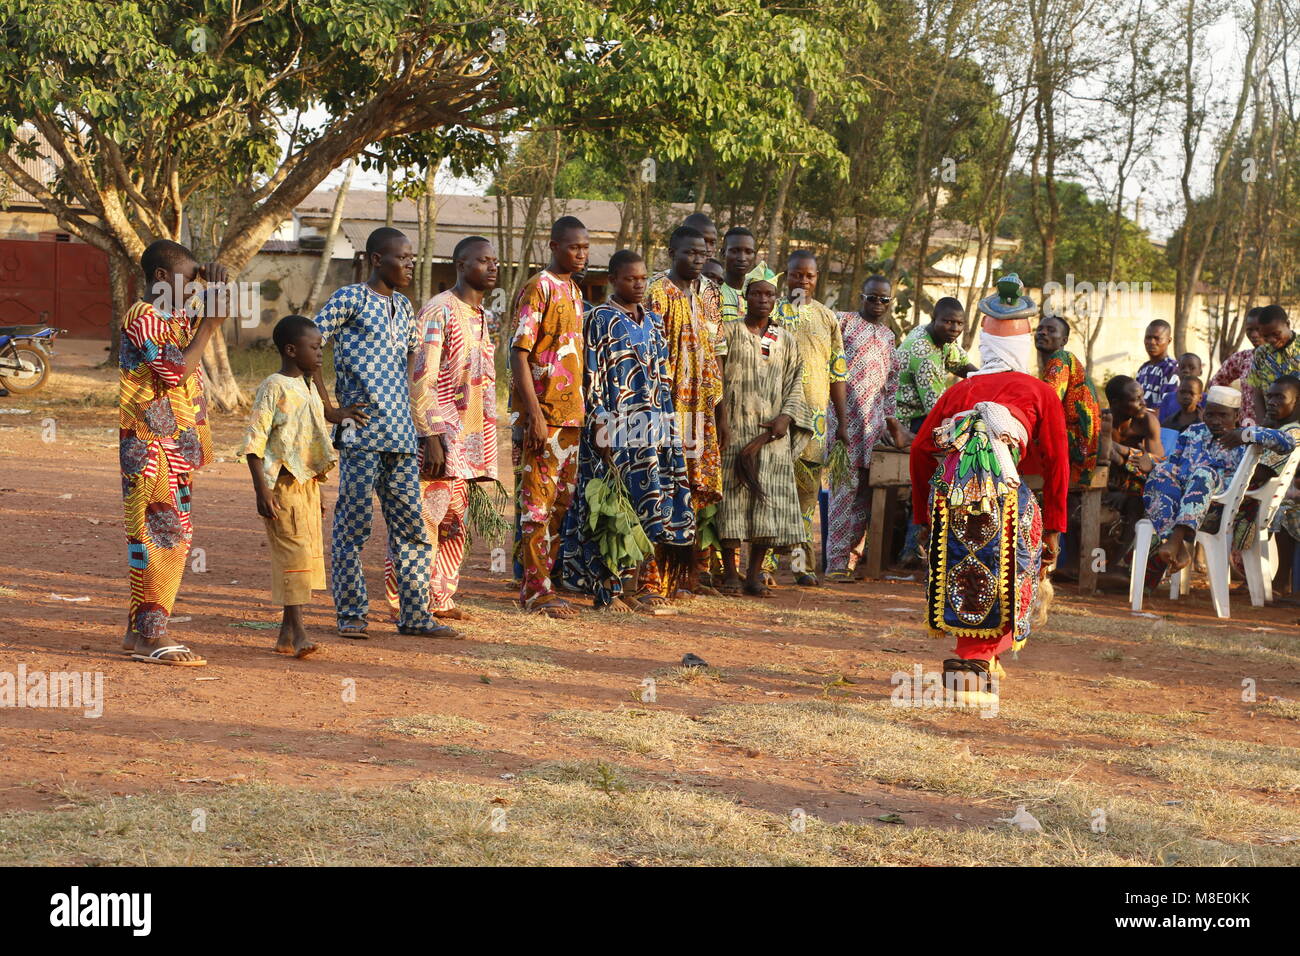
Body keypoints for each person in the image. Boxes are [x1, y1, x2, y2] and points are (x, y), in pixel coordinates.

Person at [910, 275, 1067, 706]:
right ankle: (978, 661)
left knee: (960, 568)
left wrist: (924, 517)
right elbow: (1057, 464)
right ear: (1026, 344)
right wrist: (1053, 526)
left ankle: (973, 658)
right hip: (1002, 496)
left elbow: (921, 451)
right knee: (1019, 560)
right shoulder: (1040, 392)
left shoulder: (960, 390)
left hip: (951, 497)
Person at [312, 227, 456, 639]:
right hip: (361, 437)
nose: (410, 264)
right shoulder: (350, 299)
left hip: (402, 439)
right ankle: (352, 616)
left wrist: (426, 431)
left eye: (412, 258)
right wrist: (329, 408)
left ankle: (415, 616)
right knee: (353, 529)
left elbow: (414, 374)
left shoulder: (405, 308)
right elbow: (309, 340)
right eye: (402, 257)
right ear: (377, 259)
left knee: (412, 528)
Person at [559, 250, 694, 611]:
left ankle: (639, 585)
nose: (639, 284)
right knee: (610, 506)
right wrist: (601, 422)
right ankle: (608, 590)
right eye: (631, 278)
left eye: (643, 278)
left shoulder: (652, 321)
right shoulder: (599, 319)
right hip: (615, 426)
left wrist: (668, 424)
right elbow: (592, 375)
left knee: (648, 502)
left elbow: (662, 376)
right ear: (613, 280)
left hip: (652, 427)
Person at [118, 240, 227, 666]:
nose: (192, 288)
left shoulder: (173, 314)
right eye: (187, 278)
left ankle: (138, 628)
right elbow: (174, 370)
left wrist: (213, 287)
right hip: (149, 442)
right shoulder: (143, 317)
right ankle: (152, 635)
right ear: (161, 279)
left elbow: (211, 313)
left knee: (159, 534)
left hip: (173, 441)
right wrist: (208, 327)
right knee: (162, 536)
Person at [383, 236, 500, 623]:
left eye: (494, 261)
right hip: (438, 437)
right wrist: (429, 437)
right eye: (483, 261)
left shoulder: (482, 315)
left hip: (468, 442)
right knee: (423, 520)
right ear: (461, 265)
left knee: (453, 523)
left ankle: (441, 598)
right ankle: (408, 600)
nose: (492, 267)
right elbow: (421, 379)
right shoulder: (438, 310)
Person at [239, 315, 335, 660]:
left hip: (305, 487)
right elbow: (254, 443)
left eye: (322, 348)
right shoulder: (274, 386)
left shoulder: (307, 386)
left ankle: (284, 634)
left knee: (305, 557)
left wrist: (317, 489)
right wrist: (261, 491)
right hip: (279, 487)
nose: (321, 354)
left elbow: (305, 445)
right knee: (293, 556)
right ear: (291, 350)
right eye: (314, 347)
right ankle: (299, 632)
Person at [510, 216, 588, 618]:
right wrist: (534, 415)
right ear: (554, 245)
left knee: (560, 506)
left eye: (585, 247)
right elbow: (519, 353)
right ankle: (534, 592)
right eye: (574, 247)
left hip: (572, 419)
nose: (582, 253)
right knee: (536, 508)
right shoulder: (539, 287)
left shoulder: (575, 291)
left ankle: (544, 584)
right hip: (545, 419)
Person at [716, 264, 809, 597]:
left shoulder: (786, 339)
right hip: (733, 429)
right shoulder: (727, 331)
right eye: (756, 293)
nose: (763, 299)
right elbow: (717, 378)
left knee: (764, 500)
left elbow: (797, 381)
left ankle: (754, 576)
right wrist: (722, 420)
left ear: (776, 298)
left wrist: (785, 418)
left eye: (769, 294)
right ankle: (729, 573)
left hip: (771, 434)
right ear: (746, 296)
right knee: (731, 498)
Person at [646, 225, 729, 597]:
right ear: (672, 253)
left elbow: (714, 358)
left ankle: (682, 578)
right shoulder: (656, 292)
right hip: (665, 410)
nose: (697, 259)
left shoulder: (708, 295)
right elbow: (648, 354)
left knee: (693, 491)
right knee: (660, 486)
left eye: (702, 254)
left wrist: (719, 413)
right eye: (689, 253)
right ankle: (650, 580)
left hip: (700, 411)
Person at [769, 250, 849, 585]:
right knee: (772, 492)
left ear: (817, 279)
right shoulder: (771, 312)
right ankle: (766, 565)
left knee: (805, 499)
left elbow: (837, 373)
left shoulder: (827, 318)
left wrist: (842, 422)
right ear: (785, 276)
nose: (802, 280)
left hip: (815, 424)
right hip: (775, 417)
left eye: (809, 276)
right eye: (796, 274)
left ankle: (802, 566)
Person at [824, 275, 907, 582]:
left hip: (873, 428)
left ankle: (850, 560)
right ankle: (833, 563)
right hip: (842, 422)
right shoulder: (842, 322)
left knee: (865, 497)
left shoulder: (888, 337)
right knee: (842, 494)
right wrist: (837, 420)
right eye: (872, 298)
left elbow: (891, 384)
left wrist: (890, 421)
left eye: (884, 300)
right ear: (862, 296)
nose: (878, 304)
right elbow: (830, 368)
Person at [1144, 386, 1250, 574]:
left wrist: (1249, 434)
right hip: (1178, 502)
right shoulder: (1193, 432)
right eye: (1210, 415)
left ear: (1236, 415)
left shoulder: (1244, 441)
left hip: (1215, 511)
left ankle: (1175, 540)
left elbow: (1286, 443)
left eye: (1223, 416)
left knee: (1204, 473)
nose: (1215, 421)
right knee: (1161, 471)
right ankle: (1180, 549)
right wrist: (1153, 464)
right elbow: (1173, 464)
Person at [1221, 375, 1300, 554]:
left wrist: (1247, 434)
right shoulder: (1277, 429)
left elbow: (1259, 474)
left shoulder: (1293, 431)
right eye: (1270, 396)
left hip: (1254, 505)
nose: (1271, 402)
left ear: (1297, 401)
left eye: (1280, 397)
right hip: (1252, 502)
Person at [1102, 374, 1165, 556]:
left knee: (1134, 501)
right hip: (1107, 482)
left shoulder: (1147, 421)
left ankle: (1120, 563)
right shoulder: (1102, 421)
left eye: (1142, 396)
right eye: (1136, 399)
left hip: (1136, 481)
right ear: (1115, 402)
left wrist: (1119, 451)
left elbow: (1156, 464)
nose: (1143, 403)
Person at [894, 297, 976, 436]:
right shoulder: (924, 354)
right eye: (948, 322)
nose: (955, 329)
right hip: (906, 421)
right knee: (969, 434)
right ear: (934, 318)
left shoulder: (939, 335)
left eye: (960, 323)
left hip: (922, 412)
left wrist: (988, 380)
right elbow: (937, 411)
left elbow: (962, 365)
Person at [1035, 313, 1100, 485]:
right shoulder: (1065, 362)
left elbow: (1047, 404)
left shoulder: (1060, 359)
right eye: (1040, 329)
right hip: (1082, 449)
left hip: (1074, 451)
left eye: (1050, 330)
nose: (1042, 333)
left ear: (1063, 340)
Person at [1246, 305, 1300, 425]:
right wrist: (1262, 426)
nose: (1272, 340)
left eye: (1276, 334)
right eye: (1266, 336)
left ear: (1287, 324)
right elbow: (1257, 393)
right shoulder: (1261, 354)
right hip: (1272, 424)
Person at [1210, 307, 1265, 425]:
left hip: (1273, 428)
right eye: (1249, 330)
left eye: (1258, 329)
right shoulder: (1242, 358)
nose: (1254, 334)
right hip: (1245, 427)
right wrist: (1228, 410)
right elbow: (1218, 381)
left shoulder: (1282, 360)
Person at [717, 226, 758, 323]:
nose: (742, 258)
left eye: (748, 252)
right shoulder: (713, 292)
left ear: (754, 256)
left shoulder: (760, 294)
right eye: (735, 251)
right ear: (723, 254)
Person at [1136, 320, 1178, 411]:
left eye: (1157, 338)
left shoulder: (1172, 369)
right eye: (1148, 338)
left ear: (1169, 341)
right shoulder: (1143, 369)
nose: (1151, 342)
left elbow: (1167, 407)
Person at [1156, 353, 1203, 422]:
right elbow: (1162, 425)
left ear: (1200, 372)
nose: (1186, 370)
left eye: (1192, 368)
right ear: (1177, 370)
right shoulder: (1168, 398)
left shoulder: (1205, 399)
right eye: (1182, 367)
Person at [1160, 375, 1204, 445]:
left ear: (1200, 398)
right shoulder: (1168, 423)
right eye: (1182, 392)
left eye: (1191, 393)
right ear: (1177, 394)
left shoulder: (1205, 424)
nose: (1186, 396)